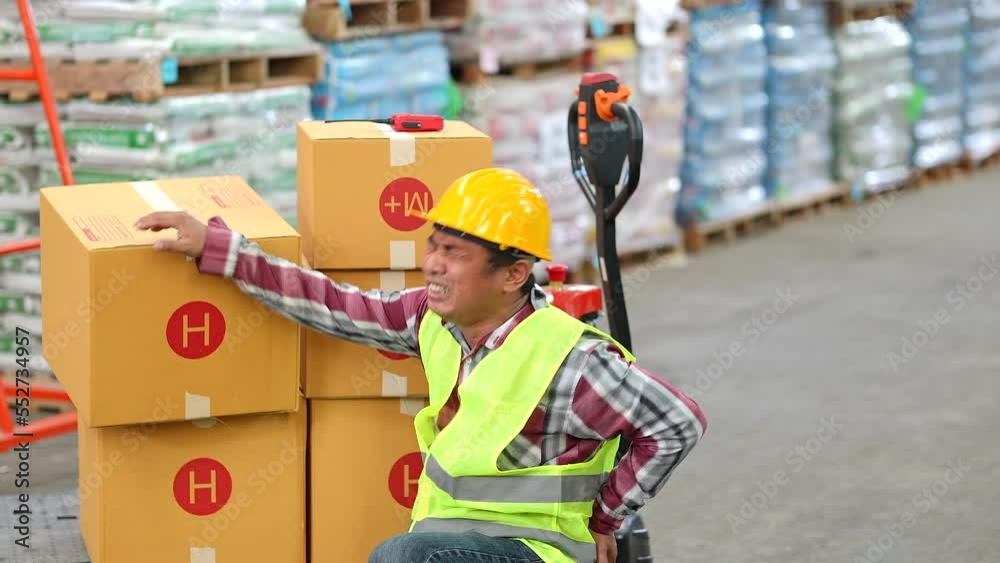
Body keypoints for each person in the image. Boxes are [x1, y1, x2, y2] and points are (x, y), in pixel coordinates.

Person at [135, 167, 706, 563]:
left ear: (513, 274)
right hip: (454, 540)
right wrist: (222, 251)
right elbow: (334, 305)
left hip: (539, 551)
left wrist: (606, 519)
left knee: (404, 558)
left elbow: (678, 423)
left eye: (454, 254)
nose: (432, 264)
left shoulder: (571, 360)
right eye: (434, 246)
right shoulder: (432, 322)